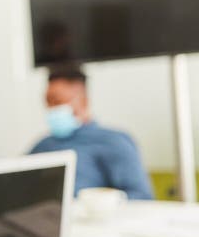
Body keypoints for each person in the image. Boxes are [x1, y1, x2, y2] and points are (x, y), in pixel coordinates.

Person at [30, 66, 153, 199]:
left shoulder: (113, 142)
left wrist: (97, 205)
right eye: (48, 102)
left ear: (84, 101)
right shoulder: (43, 145)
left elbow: (142, 195)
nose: (52, 109)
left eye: (58, 101)